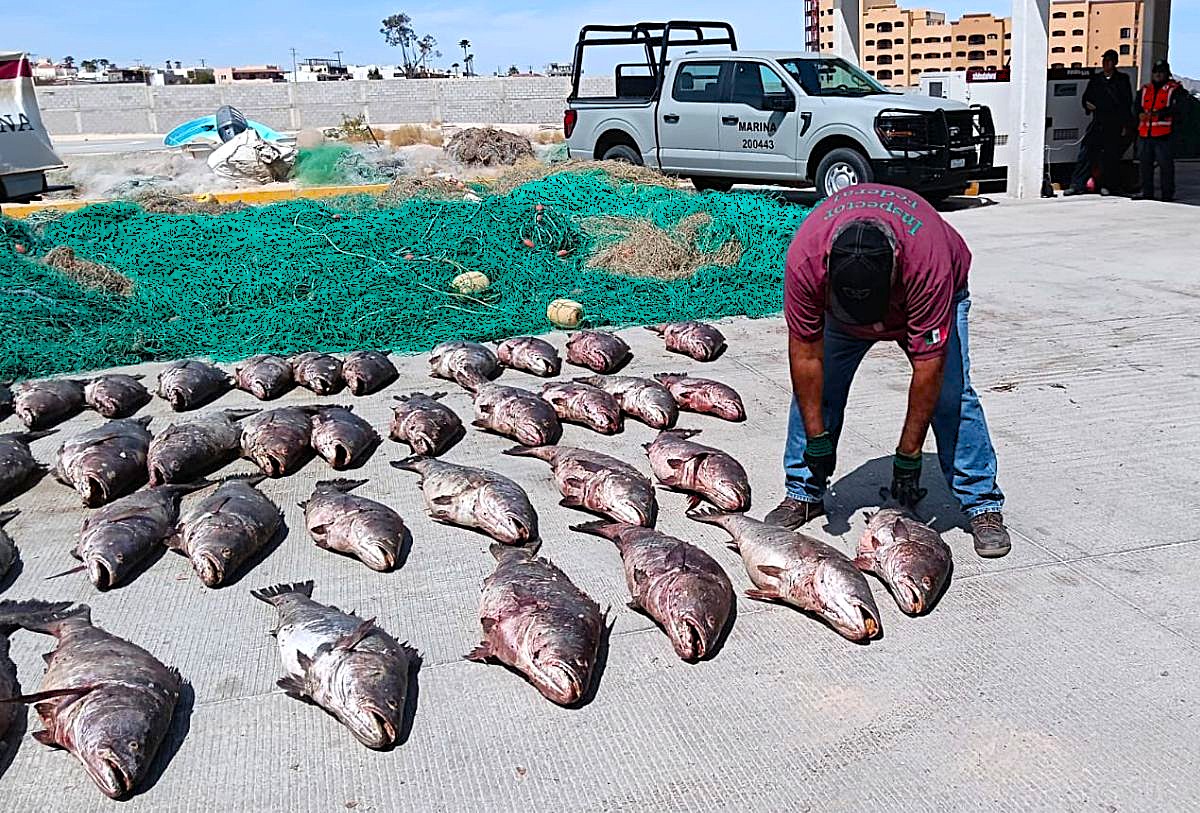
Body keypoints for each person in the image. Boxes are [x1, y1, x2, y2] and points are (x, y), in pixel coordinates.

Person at [765, 183, 1010, 558]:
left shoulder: (928, 263)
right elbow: (805, 359)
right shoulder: (805, 259)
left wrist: (909, 454)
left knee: (952, 396)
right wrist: (817, 437)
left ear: (897, 265)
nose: (874, 330)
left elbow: (930, 368)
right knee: (818, 391)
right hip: (842, 317)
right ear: (828, 270)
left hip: (926, 297)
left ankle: (981, 505)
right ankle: (804, 491)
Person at [1063, 49, 1133, 196]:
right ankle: (1077, 185)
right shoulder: (1096, 79)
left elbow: (1126, 103)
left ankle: (1107, 186)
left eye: (1109, 61)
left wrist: (1126, 125)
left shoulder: (1122, 80)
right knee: (1086, 153)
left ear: (1115, 63)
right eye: (1104, 60)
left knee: (1110, 157)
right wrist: (1088, 105)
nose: (1106, 63)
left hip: (1114, 123)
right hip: (1098, 121)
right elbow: (1086, 98)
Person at [1133, 59, 1183, 201]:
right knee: (1145, 165)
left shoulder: (1174, 89)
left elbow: (1178, 110)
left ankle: (1167, 194)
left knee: (1165, 166)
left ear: (1166, 73)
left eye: (1161, 72)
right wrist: (1139, 114)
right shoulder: (1145, 89)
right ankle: (1146, 191)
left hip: (1163, 135)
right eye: (1155, 72)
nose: (1158, 75)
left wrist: (1160, 114)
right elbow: (1136, 107)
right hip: (1145, 133)